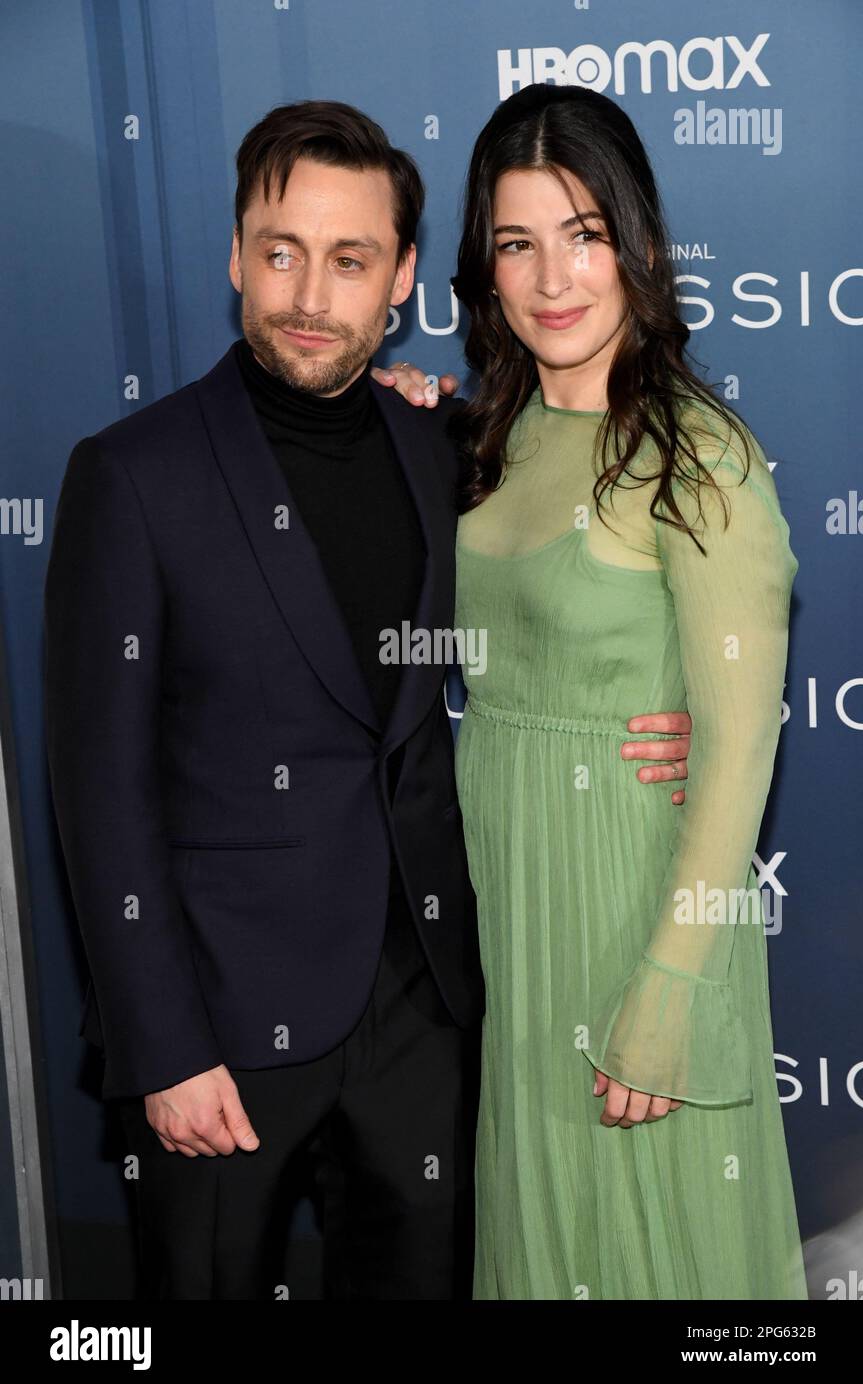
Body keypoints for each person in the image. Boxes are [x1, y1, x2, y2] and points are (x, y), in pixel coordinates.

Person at [44, 99, 693, 1301]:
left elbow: (565, 613)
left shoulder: (443, 447)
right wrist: (164, 1047)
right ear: (235, 255)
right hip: (219, 1024)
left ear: (398, 280)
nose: (308, 294)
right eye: (280, 252)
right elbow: (97, 791)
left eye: (348, 260)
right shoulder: (133, 475)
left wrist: (676, 714)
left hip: (423, 1011)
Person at [374, 83, 808, 1300]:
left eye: (583, 233)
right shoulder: (484, 437)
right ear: (484, 266)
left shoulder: (696, 456)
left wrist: (666, 993)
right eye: (516, 243)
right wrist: (396, 416)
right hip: (511, 909)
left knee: (655, 1251)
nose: (551, 278)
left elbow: (735, 755)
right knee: (543, 1232)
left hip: (629, 898)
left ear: (637, 245)